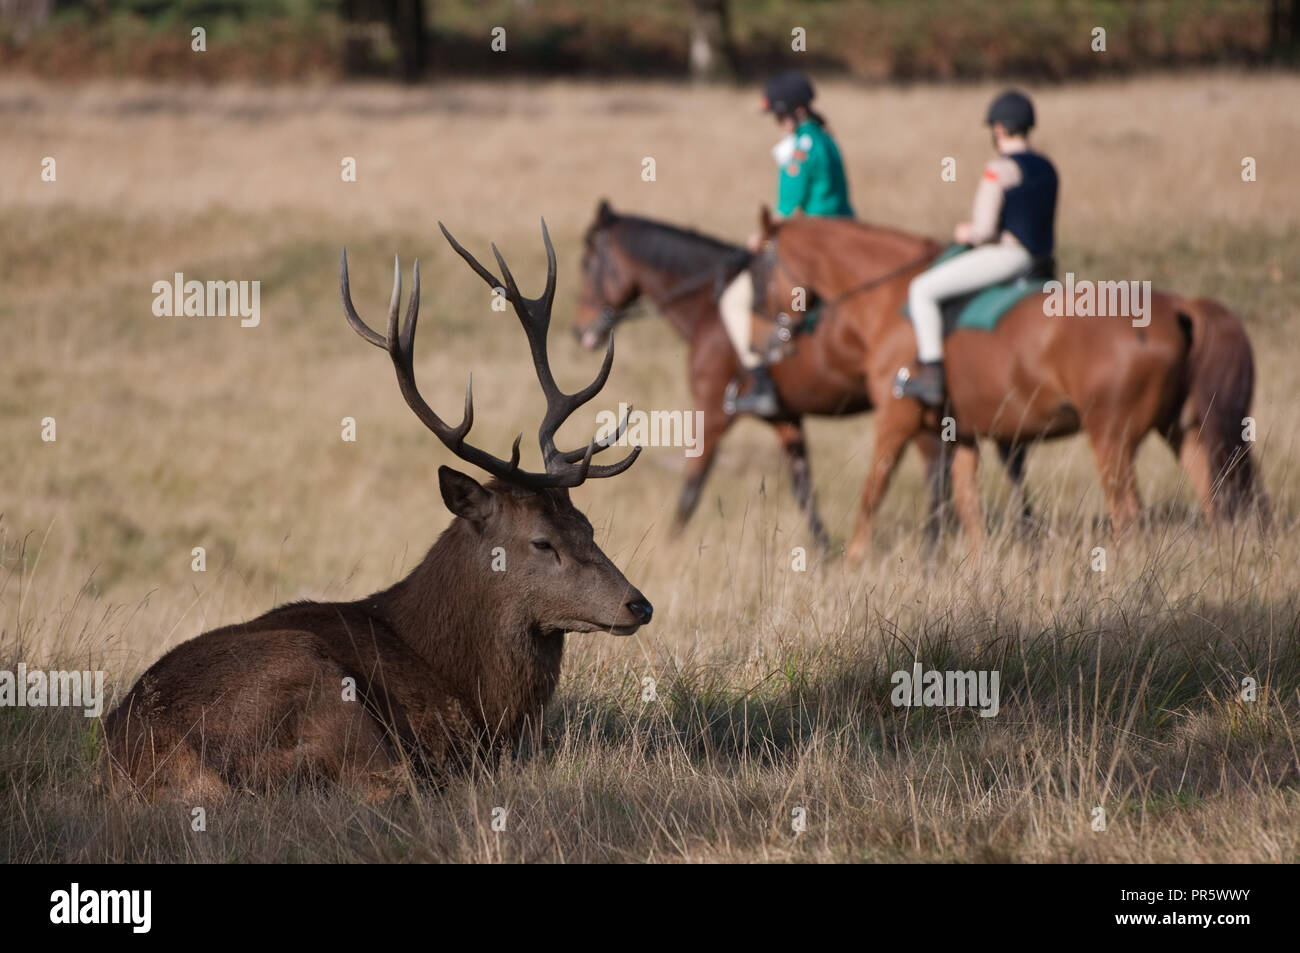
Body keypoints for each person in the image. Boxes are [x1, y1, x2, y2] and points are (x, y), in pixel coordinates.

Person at [899, 89, 1058, 408]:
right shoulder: (1047, 166)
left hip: (1008, 258)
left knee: (921, 290)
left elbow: (984, 231)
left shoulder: (998, 168)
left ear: (998, 129)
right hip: (1043, 263)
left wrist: (964, 232)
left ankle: (931, 371)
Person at [720, 69, 854, 418]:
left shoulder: (799, 148)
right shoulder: (826, 139)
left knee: (735, 300)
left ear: (797, 111)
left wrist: (757, 238)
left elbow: (784, 210)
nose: (776, 122)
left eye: (779, 114)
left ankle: (762, 383)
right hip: (845, 235)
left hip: (814, 243)